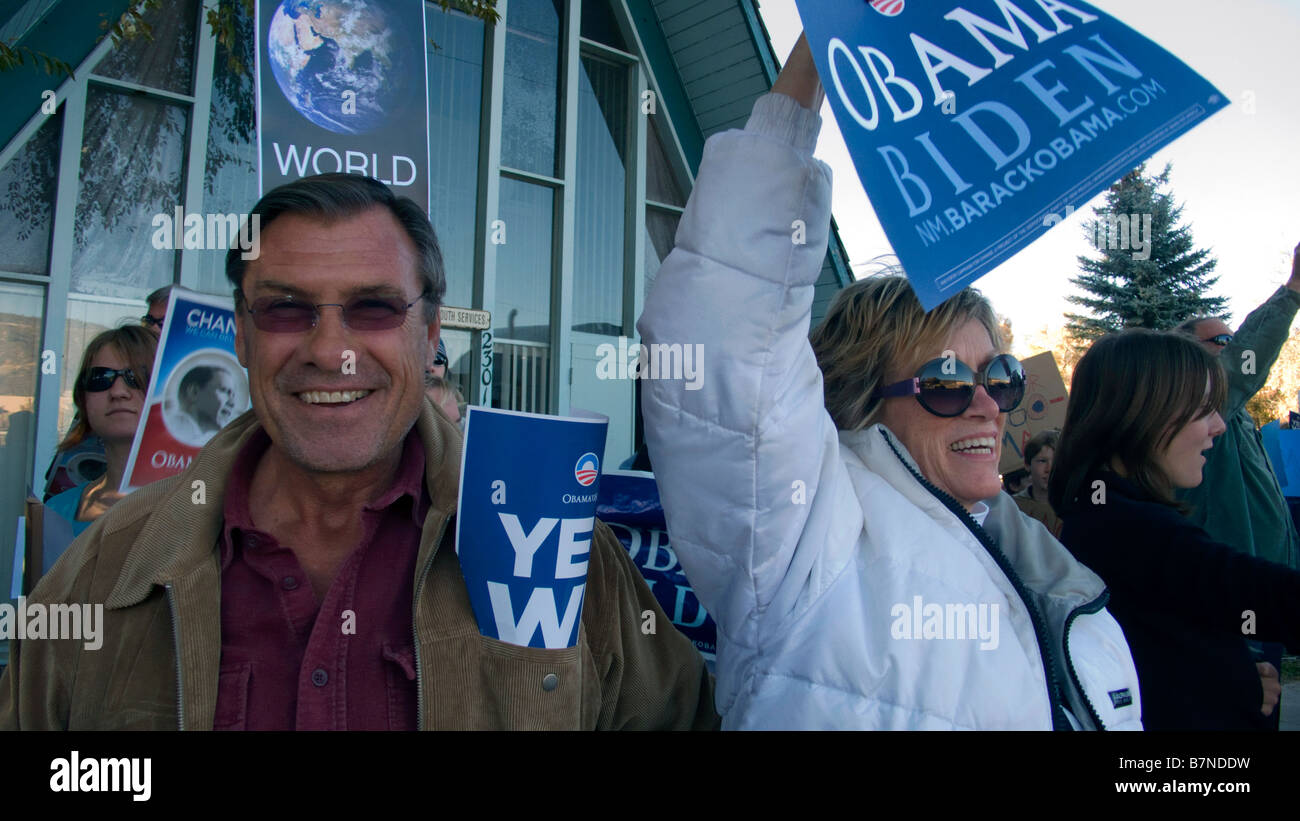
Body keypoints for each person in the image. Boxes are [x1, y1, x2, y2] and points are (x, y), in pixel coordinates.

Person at [1, 173, 717, 730]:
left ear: (430, 334)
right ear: (242, 337)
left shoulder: (565, 556)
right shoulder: (106, 569)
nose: (331, 351)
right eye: (286, 309)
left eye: (374, 308)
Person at [636, 35, 1141, 730]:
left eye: (998, 375)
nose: (989, 405)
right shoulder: (810, 534)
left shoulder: (1034, 552)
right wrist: (816, 59)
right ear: (862, 400)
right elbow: (723, 333)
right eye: (944, 382)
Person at [1051, 329, 1300, 730]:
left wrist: (1237, 670)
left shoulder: (1102, 513)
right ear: (1144, 414)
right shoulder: (1130, 528)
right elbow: (1261, 595)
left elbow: (1161, 645)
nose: (1218, 426)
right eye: (1203, 408)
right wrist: (1238, 686)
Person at [1172, 244, 1300, 571]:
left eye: (1233, 339)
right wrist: (1293, 291)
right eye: (1223, 342)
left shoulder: (1235, 413)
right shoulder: (1189, 404)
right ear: (1189, 351)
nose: (1233, 348)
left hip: (1276, 579)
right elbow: (1242, 365)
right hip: (1240, 592)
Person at [44, 326, 157, 538]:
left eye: (136, 377)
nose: (118, 392)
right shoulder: (55, 512)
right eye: (100, 378)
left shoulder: (197, 503)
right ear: (82, 399)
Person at [1013, 430, 1063, 536]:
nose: (1049, 469)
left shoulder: (1073, 506)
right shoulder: (1014, 507)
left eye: (1056, 461)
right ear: (1027, 465)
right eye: (1042, 461)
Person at [171, 365, 238, 443]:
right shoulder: (177, 428)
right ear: (194, 392)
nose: (232, 403)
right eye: (224, 391)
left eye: (233, 395)